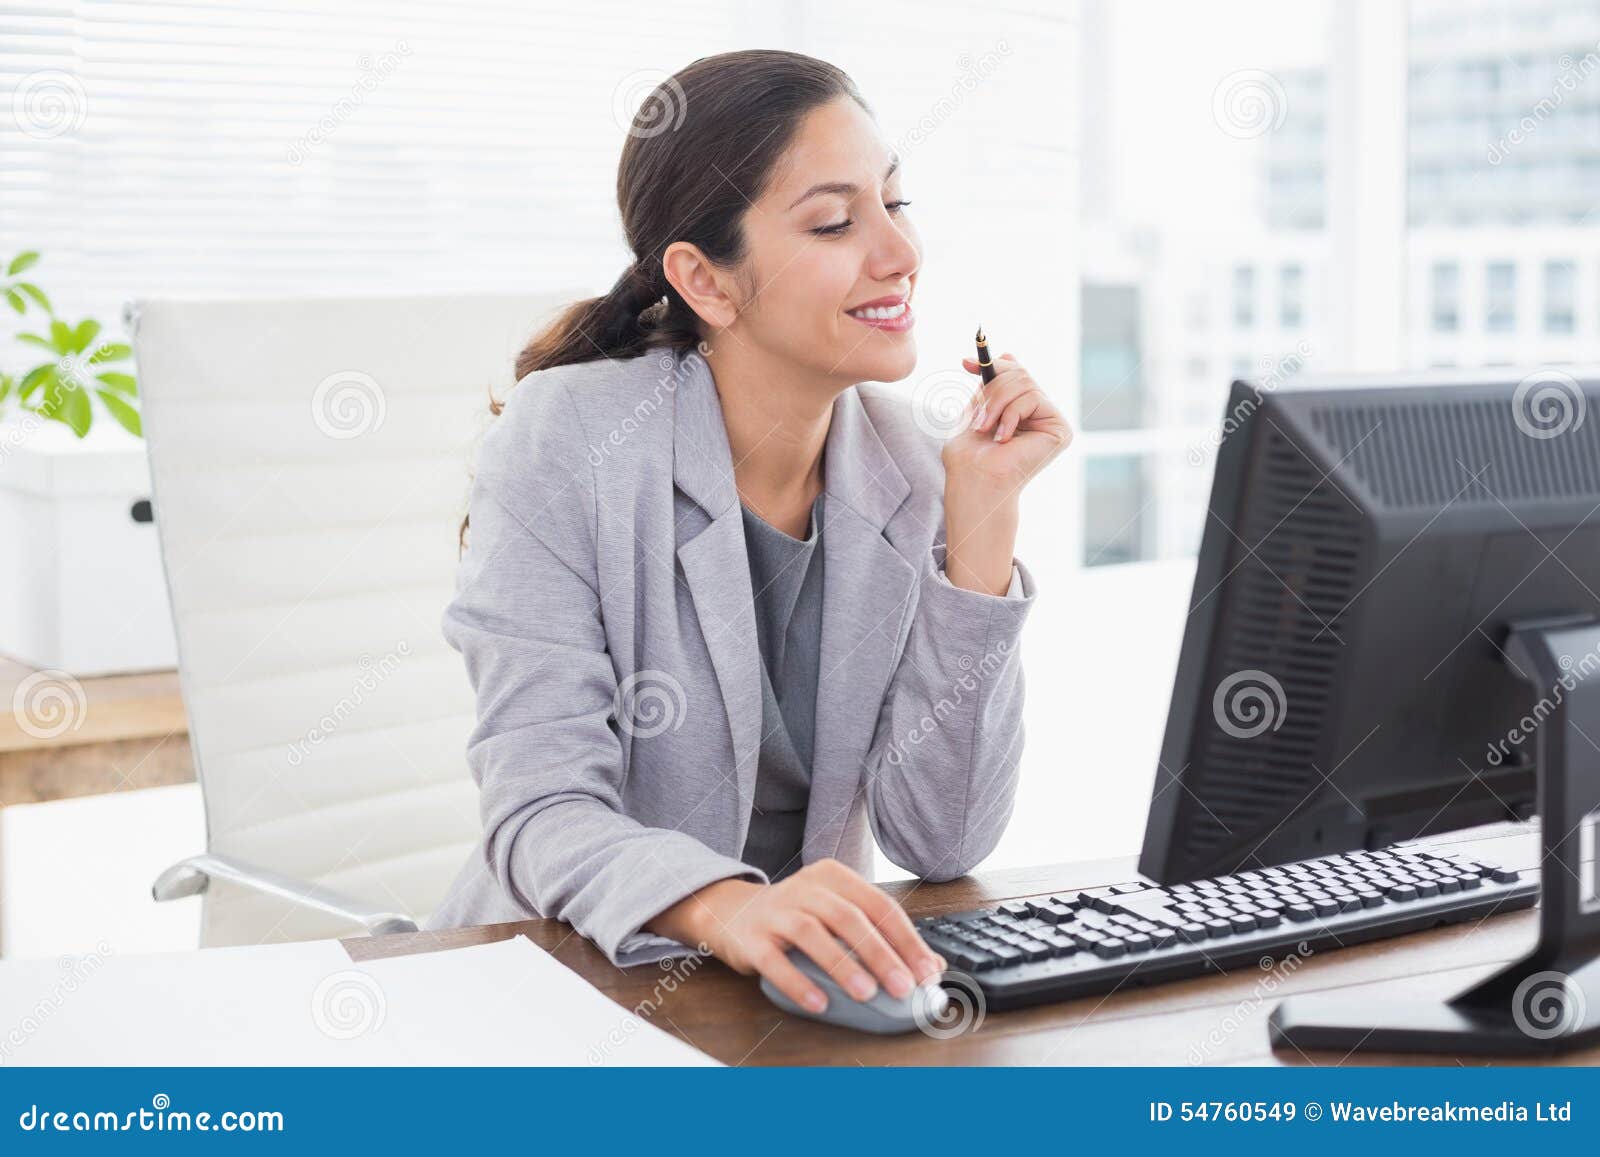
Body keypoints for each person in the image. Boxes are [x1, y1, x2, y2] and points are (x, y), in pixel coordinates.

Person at [427, 48, 1071, 1018]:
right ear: (706, 281)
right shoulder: (572, 436)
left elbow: (942, 838)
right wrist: (726, 907)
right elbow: (540, 808)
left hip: (786, 1005)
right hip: (566, 989)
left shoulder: (908, 466)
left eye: (895, 204)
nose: (897, 254)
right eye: (833, 221)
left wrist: (979, 533)